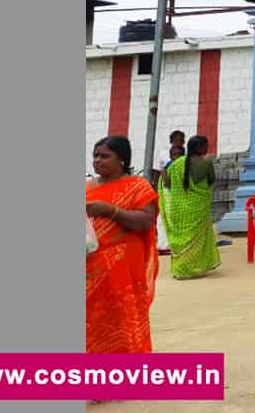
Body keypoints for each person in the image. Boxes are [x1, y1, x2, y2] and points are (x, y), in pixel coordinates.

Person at [86, 136, 159, 353]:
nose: (98, 161)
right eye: (95, 156)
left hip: (123, 268)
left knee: (124, 319)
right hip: (91, 267)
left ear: (122, 161)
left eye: (105, 156)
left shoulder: (138, 186)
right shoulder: (87, 187)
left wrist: (111, 211)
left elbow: (146, 221)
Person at [161, 135, 221, 280]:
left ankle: (180, 269)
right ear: (199, 148)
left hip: (178, 209)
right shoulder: (206, 164)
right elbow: (211, 180)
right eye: (205, 145)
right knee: (197, 238)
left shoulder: (176, 164)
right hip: (198, 207)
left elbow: (167, 184)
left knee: (181, 238)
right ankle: (194, 268)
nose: (207, 148)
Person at [156, 140, 185, 256]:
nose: (176, 157)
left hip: (178, 200)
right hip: (167, 199)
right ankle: (163, 245)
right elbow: (165, 185)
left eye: (179, 155)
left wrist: (163, 172)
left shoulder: (183, 166)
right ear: (170, 156)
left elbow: (169, 183)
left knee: (174, 222)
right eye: (174, 155)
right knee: (162, 221)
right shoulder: (168, 166)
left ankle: (170, 245)